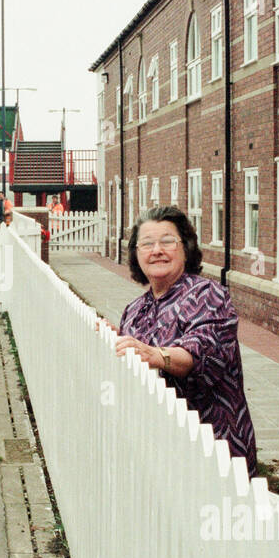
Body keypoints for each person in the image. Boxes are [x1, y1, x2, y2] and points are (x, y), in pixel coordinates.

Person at [112, 204, 258, 476]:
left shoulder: (208, 295)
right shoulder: (134, 309)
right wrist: (112, 341)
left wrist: (156, 355)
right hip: (158, 449)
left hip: (210, 451)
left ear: (186, 247)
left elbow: (199, 353)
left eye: (167, 241)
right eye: (146, 243)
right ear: (136, 254)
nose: (157, 250)